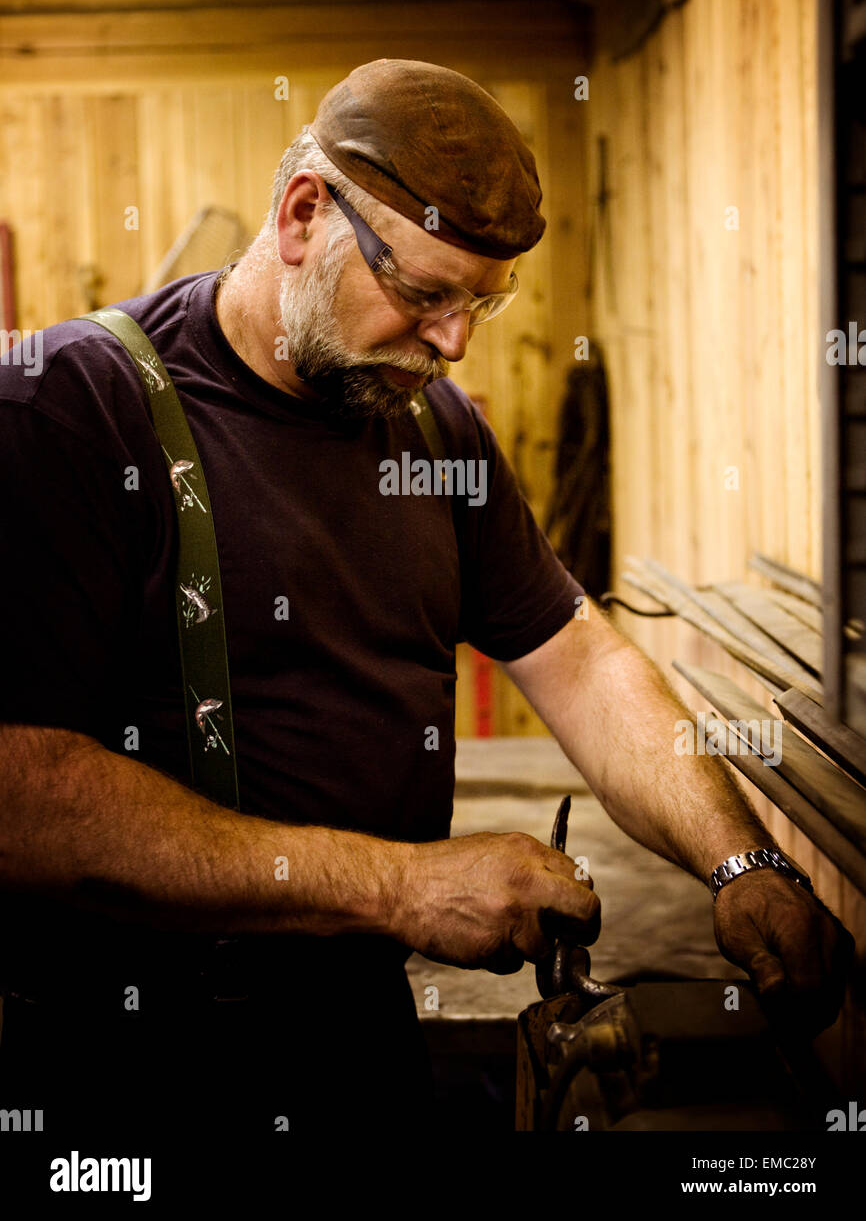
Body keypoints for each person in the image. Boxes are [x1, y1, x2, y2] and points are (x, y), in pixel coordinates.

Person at [0, 59, 852, 1142]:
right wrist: (397, 888)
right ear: (305, 214)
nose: (453, 342)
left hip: (354, 1044)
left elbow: (574, 655)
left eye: (482, 304)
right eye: (424, 292)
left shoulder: (433, 431)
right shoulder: (69, 409)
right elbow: (21, 794)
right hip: (125, 1072)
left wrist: (739, 863)